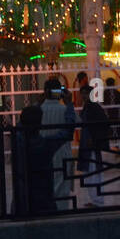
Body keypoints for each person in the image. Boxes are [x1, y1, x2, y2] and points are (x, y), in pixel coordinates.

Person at [11, 105, 74, 217]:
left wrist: (37, 106)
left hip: (22, 203)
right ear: (40, 124)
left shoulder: (18, 141)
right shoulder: (45, 145)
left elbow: (21, 126)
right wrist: (69, 106)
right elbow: (67, 132)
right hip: (44, 202)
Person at [39, 78, 76, 211]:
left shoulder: (38, 110)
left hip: (42, 152)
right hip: (62, 151)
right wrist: (69, 103)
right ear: (59, 92)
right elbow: (73, 125)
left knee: (45, 185)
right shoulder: (65, 110)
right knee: (62, 188)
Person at [77, 86, 111, 207]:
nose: (84, 96)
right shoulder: (89, 107)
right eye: (83, 94)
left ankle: (97, 199)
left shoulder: (93, 107)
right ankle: (94, 199)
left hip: (91, 144)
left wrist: (94, 138)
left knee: (93, 171)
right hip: (88, 143)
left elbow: (102, 124)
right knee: (90, 172)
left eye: (86, 93)